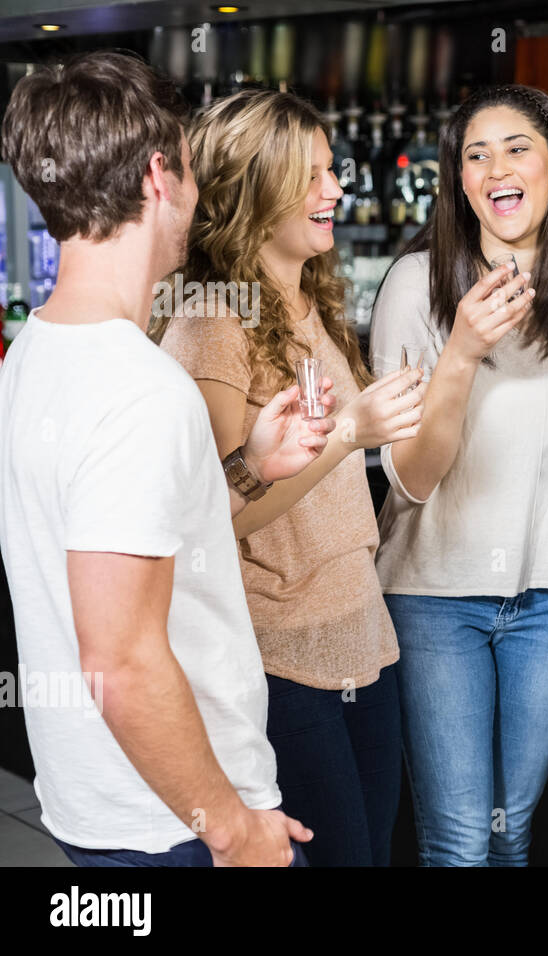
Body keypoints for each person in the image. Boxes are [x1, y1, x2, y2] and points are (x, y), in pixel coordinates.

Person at [0, 51, 333, 866]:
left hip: (97, 806)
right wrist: (232, 826)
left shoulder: (33, 354)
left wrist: (252, 465)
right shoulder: (141, 388)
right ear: (158, 175)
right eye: (187, 163)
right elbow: (118, 653)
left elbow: (130, 546)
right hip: (178, 824)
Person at [152, 89, 425, 866]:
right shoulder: (211, 318)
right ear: (251, 188)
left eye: (331, 169)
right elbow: (215, 514)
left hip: (363, 637)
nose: (333, 189)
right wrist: (347, 438)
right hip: (278, 657)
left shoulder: (310, 300)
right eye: (309, 175)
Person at [368, 84, 548, 866]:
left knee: (509, 835)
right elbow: (409, 479)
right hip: (433, 599)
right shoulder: (417, 285)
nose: (495, 168)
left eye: (518, 148)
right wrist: (463, 352)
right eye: (475, 154)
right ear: (458, 180)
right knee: (458, 844)